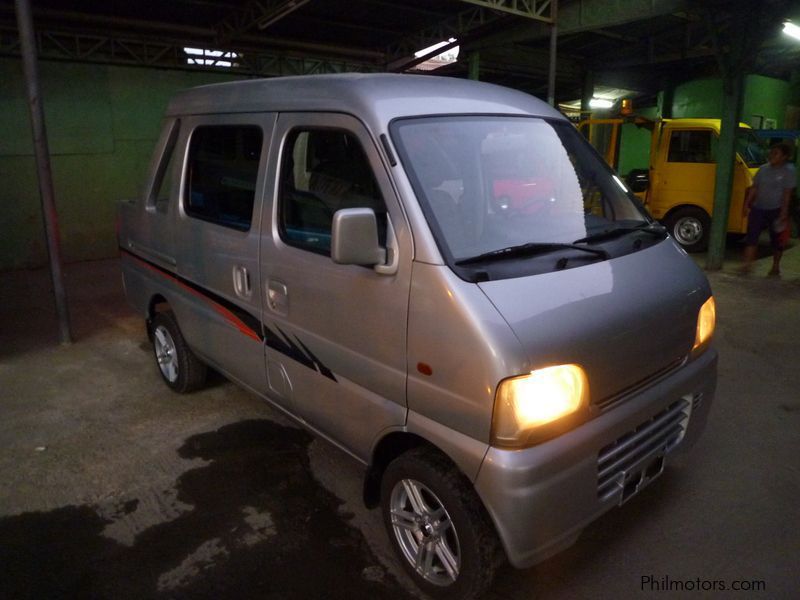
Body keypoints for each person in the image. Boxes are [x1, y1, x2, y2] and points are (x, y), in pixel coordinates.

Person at [741, 142, 797, 276]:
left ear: (784, 157)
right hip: (758, 208)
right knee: (752, 237)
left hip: (776, 210)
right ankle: (747, 265)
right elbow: (755, 188)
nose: (772, 155)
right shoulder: (763, 169)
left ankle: (775, 266)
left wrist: (784, 213)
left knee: (777, 240)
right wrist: (747, 204)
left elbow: (787, 193)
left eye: (776, 153)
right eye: (771, 152)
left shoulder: (789, 171)